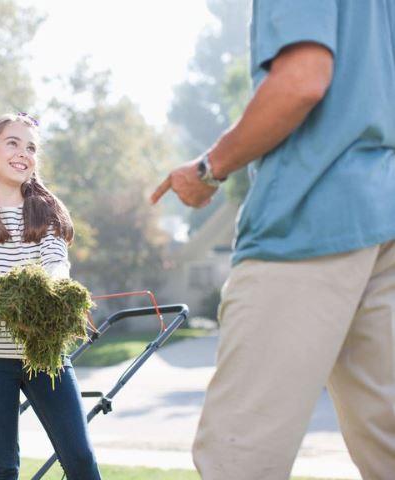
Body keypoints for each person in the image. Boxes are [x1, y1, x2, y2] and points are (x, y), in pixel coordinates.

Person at [151, 1, 395, 478]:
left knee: (237, 457)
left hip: (306, 217)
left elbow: (301, 81)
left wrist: (207, 169)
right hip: (384, 219)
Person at [0, 113, 101, 480]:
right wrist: (6, 304)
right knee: (2, 466)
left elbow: (55, 263)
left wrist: (56, 291)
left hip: (44, 352)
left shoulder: (46, 210)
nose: (23, 153)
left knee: (80, 457)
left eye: (31, 147)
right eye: (12, 143)